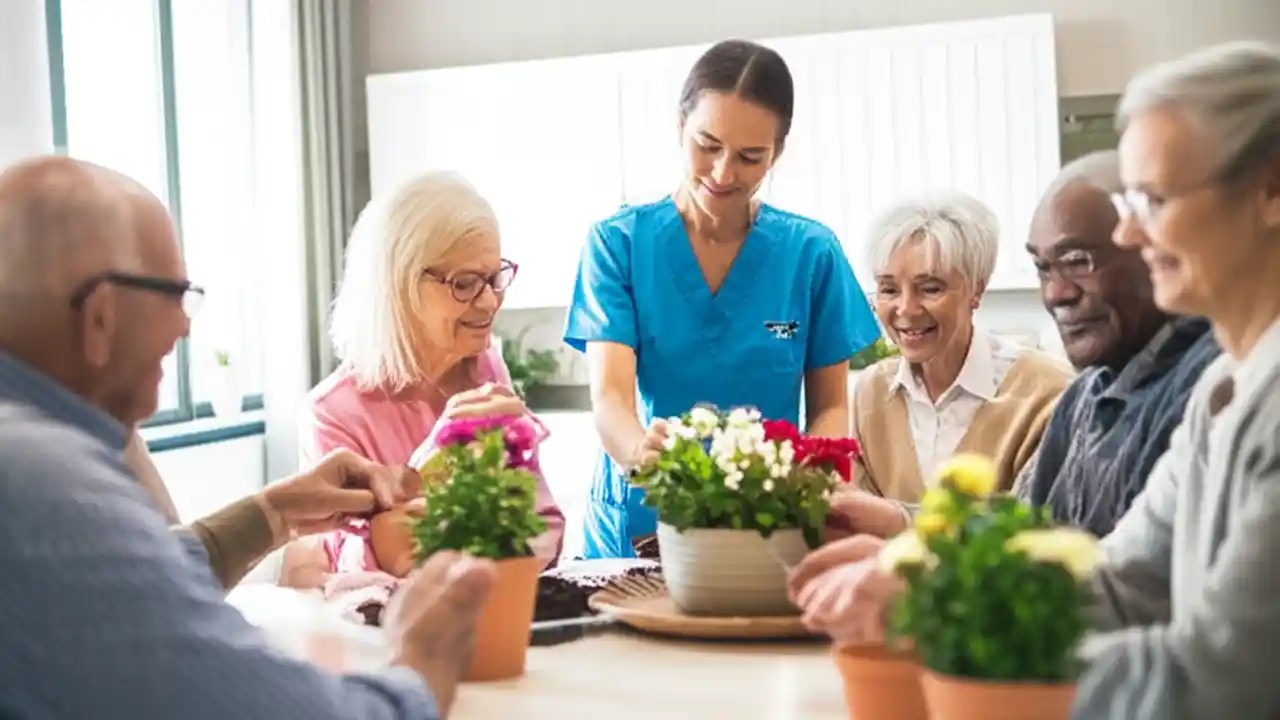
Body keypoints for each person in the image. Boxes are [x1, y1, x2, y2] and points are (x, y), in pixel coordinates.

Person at [792, 40, 1280, 718]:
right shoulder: (1230, 389)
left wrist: (948, 644)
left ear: (1270, 189)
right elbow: (1115, 582)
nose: (1132, 236)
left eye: (1156, 199)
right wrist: (932, 588)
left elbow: (1220, 678)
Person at [0, 155, 490, 718]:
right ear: (102, 318)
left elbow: (120, 584)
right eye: (176, 294)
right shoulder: (51, 489)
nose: (186, 326)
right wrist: (421, 663)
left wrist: (273, 511)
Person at [563, 39, 881, 558]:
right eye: (707, 145)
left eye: (750, 157)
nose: (722, 173)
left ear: (777, 151)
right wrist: (639, 453)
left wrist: (809, 479)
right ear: (679, 126)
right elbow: (612, 398)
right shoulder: (617, 244)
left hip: (766, 521)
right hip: (640, 520)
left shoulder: (810, 254)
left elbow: (830, 407)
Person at [286, 171, 566, 586]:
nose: (489, 300)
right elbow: (366, 571)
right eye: (465, 283)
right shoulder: (331, 414)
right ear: (398, 285)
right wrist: (437, 456)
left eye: (494, 278)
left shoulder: (488, 370)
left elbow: (543, 525)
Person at [1017, 150, 1220, 537]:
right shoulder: (1082, 397)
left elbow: (1140, 582)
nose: (1056, 294)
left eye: (1078, 261)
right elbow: (1019, 537)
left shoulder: (1207, 384)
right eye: (1043, 268)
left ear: (1152, 250)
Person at [847, 192, 1072, 512]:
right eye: (889, 289)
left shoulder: (1047, 394)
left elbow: (1035, 526)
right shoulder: (872, 392)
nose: (906, 310)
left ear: (976, 289)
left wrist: (899, 523)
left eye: (930, 288)